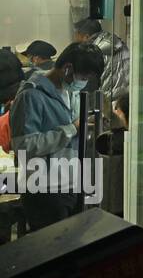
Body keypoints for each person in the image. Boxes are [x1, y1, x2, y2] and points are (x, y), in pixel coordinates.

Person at [8, 42, 104, 231]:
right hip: (44, 190)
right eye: (83, 76)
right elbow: (23, 146)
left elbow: (74, 131)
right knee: (51, 251)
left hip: (72, 183)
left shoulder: (72, 93)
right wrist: (71, 129)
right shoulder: (31, 95)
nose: (83, 82)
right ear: (67, 68)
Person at [74, 18, 129, 104]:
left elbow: (90, 89)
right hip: (126, 100)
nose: (76, 41)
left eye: (77, 36)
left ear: (86, 37)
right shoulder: (115, 42)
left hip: (108, 103)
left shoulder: (93, 52)